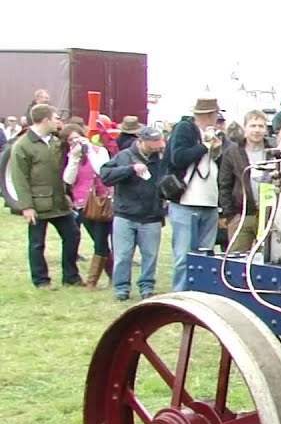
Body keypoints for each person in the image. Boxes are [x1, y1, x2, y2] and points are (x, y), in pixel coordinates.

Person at [10, 104, 82, 289]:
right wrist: (26, 206)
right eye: (55, 118)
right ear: (45, 120)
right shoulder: (23, 145)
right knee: (37, 244)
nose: (58, 121)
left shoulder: (55, 141)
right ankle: (41, 280)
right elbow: (20, 178)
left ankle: (71, 276)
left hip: (59, 201)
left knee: (72, 235)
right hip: (38, 203)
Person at [101, 127, 166, 301]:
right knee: (123, 255)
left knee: (150, 255)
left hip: (151, 215)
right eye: (153, 143)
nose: (156, 146)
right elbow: (105, 175)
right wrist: (130, 169)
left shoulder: (160, 159)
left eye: (158, 142)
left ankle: (147, 287)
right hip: (125, 215)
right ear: (141, 141)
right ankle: (121, 289)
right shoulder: (124, 156)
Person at [166, 96, 224, 292]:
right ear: (210, 115)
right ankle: (181, 298)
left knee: (206, 257)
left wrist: (216, 150)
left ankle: (201, 296)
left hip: (210, 202)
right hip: (186, 202)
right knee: (184, 257)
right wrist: (204, 146)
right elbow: (178, 158)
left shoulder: (216, 134)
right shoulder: (184, 129)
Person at [60, 123, 113, 290]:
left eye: (77, 137)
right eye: (71, 140)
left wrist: (89, 150)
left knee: (100, 240)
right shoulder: (71, 156)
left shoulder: (99, 151)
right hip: (83, 204)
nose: (75, 142)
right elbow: (68, 180)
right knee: (98, 240)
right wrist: (74, 159)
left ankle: (92, 282)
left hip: (100, 201)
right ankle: (113, 276)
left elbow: (101, 171)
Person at [218, 110, 269, 253]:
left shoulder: (274, 152)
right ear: (245, 128)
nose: (257, 130)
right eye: (253, 126)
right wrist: (230, 215)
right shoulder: (232, 153)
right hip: (241, 215)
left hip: (268, 216)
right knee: (235, 258)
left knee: (266, 261)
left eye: (261, 126)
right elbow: (224, 185)